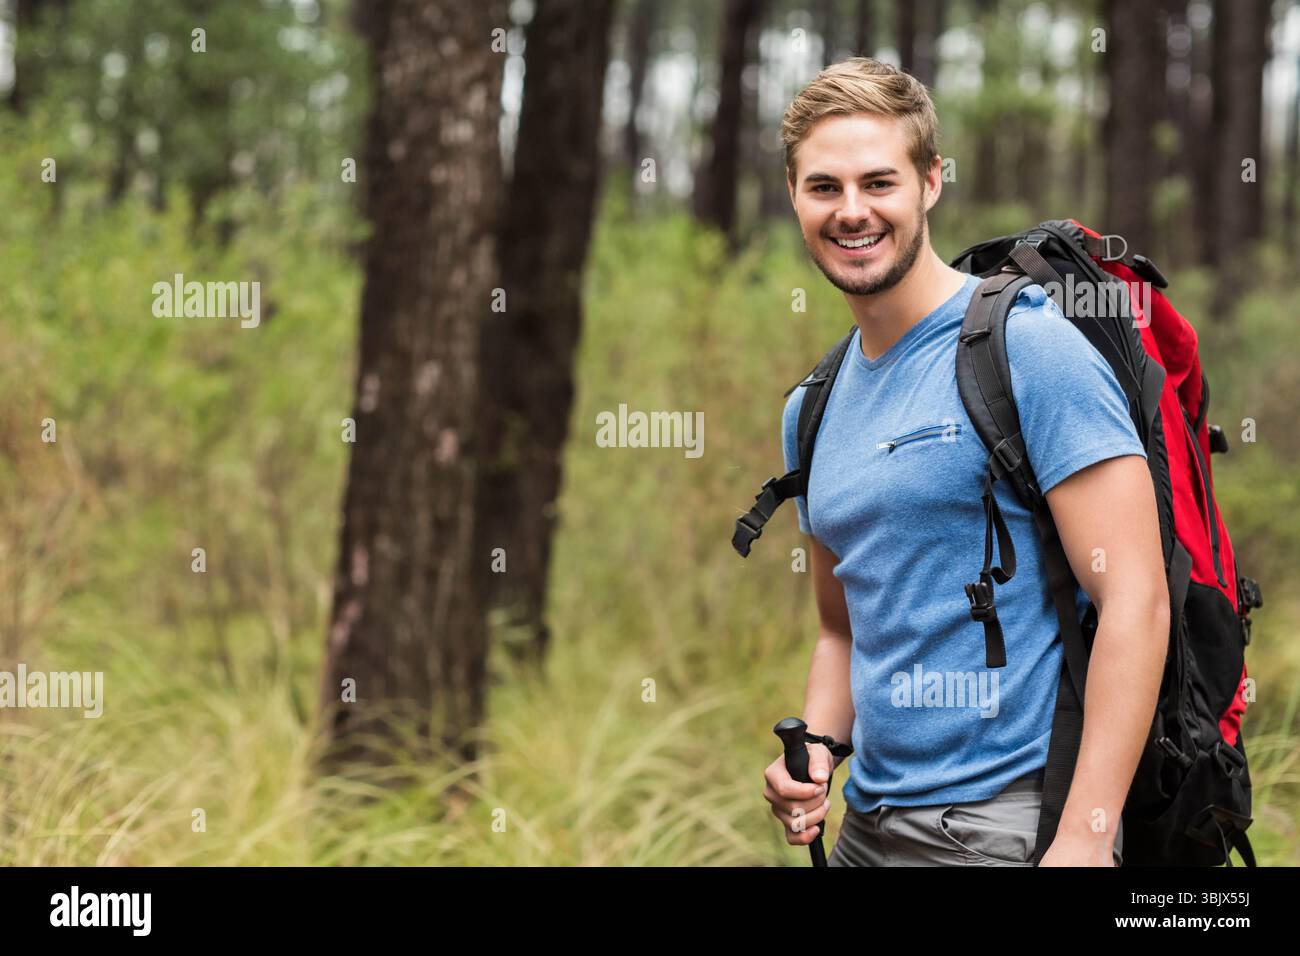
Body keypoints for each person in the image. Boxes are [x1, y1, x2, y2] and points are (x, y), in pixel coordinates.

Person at [760, 58, 1169, 867]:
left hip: (1002, 831)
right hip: (866, 831)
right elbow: (842, 628)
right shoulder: (812, 407)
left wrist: (1085, 838)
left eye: (880, 182)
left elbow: (1137, 598)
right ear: (794, 196)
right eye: (824, 188)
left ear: (931, 182)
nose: (852, 212)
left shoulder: (1028, 347)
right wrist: (814, 750)